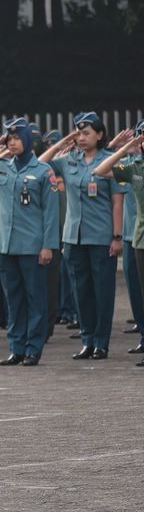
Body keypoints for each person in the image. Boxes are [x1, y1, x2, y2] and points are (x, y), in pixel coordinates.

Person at [0, 120, 61, 365]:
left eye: (17, 138)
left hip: (32, 246)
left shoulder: (43, 171)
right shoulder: (0, 166)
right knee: (13, 299)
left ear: (27, 140)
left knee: (34, 299)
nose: (12, 143)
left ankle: (33, 349)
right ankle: (16, 348)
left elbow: (51, 212)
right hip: (4, 245)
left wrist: (48, 245)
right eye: (9, 140)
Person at [40, 113, 127, 359]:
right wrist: (61, 144)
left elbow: (117, 202)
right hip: (73, 237)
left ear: (100, 135)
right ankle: (87, 341)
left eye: (86, 132)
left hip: (101, 237)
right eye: (78, 133)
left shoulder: (110, 161)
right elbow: (40, 163)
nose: (81, 138)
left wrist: (117, 236)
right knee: (81, 291)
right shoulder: (70, 160)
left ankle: (101, 343)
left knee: (102, 291)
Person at [92, 124, 144, 365]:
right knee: (138, 293)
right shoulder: (134, 167)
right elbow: (100, 169)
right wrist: (119, 148)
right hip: (136, 237)